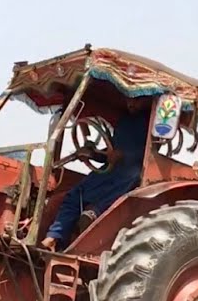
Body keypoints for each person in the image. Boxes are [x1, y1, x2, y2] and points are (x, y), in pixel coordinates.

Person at [41, 103, 152, 250]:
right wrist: (92, 154)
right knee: (75, 194)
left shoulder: (150, 120)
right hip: (111, 169)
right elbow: (111, 150)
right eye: (130, 99)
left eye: (136, 99)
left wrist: (125, 155)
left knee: (132, 175)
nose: (131, 103)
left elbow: (150, 151)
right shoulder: (124, 120)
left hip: (134, 170)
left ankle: (95, 212)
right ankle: (54, 236)